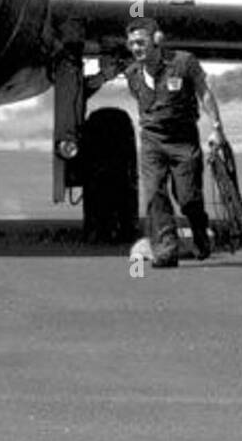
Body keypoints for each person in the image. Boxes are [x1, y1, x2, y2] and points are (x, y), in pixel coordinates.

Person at [86, 17, 225, 268]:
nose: (136, 48)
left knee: (188, 199)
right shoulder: (132, 72)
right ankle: (166, 250)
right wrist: (100, 76)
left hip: (183, 140)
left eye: (141, 42)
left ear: (157, 40)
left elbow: (204, 92)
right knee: (154, 195)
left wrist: (216, 129)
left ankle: (200, 230)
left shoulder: (184, 63)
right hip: (152, 141)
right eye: (132, 44)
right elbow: (97, 82)